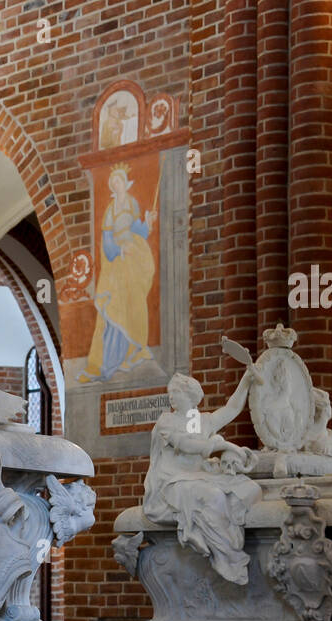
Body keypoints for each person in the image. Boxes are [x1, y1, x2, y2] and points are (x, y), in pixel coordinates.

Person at [143, 371, 261, 584]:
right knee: (213, 496)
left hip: (198, 476)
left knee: (248, 488)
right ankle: (228, 558)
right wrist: (223, 445)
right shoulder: (167, 420)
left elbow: (232, 408)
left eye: (176, 391)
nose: (171, 396)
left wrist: (246, 380)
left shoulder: (201, 420)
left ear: (191, 395)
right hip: (172, 481)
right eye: (170, 392)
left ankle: (228, 536)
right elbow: (187, 446)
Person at [80, 165, 157, 382]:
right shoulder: (110, 209)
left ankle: (135, 348)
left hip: (133, 254)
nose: (116, 185)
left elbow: (137, 229)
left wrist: (148, 222)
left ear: (125, 183)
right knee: (114, 309)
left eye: (119, 181)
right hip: (117, 259)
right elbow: (107, 240)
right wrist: (118, 249)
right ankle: (108, 360)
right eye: (113, 183)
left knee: (135, 301)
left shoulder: (131, 203)